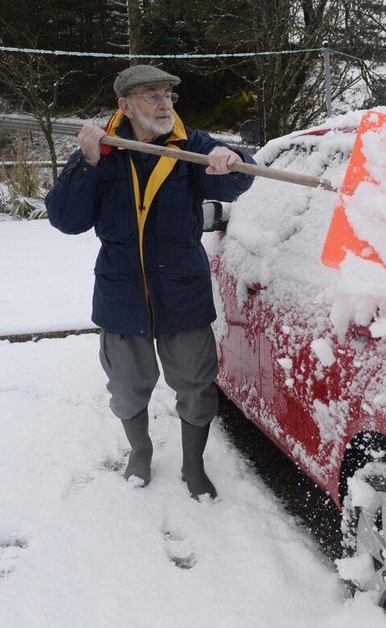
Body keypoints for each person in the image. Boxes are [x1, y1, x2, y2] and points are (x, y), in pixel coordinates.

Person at [45, 65, 255, 500]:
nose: (165, 105)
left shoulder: (191, 146)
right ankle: (139, 452)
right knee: (126, 386)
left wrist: (232, 161)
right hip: (121, 292)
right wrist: (84, 164)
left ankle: (193, 464)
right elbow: (66, 220)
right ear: (124, 105)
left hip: (182, 292)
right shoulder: (101, 149)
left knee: (196, 385)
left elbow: (240, 181)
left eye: (168, 96)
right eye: (152, 97)